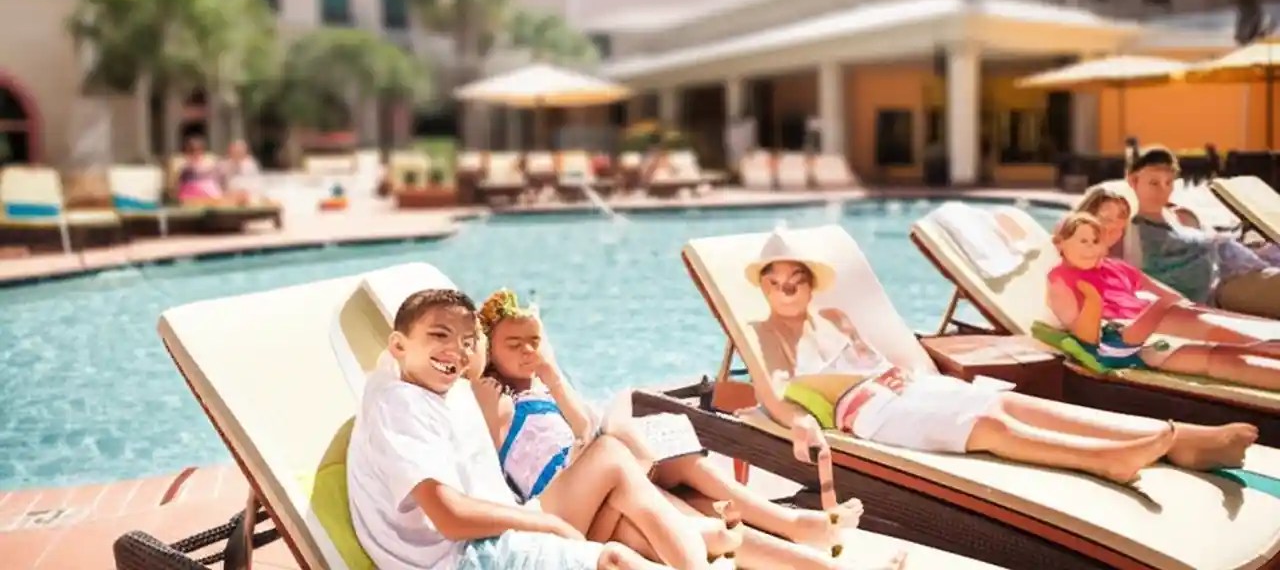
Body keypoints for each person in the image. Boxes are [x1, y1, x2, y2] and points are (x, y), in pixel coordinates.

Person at [744, 231, 1258, 485]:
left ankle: (1181, 442)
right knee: (990, 421)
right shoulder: (764, 334)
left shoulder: (836, 317)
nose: (786, 288)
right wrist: (804, 426)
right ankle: (1108, 460)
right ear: (764, 286)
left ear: (810, 282)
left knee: (1020, 407)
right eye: (775, 280)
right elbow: (775, 394)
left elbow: (877, 358)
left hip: (906, 387)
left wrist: (915, 376)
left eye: (796, 278)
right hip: (868, 413)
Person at [470, 289, 903, 570]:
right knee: (646, 475)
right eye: (514, 344)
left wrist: (551, 371)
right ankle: (794, 530)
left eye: (534, 341)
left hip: (598, 488)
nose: (528, 351)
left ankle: (813, 550)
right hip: (559, 500)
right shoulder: (490, 393)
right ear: (491, 350)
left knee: (691, 499)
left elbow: (584, 427)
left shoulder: (543, 385)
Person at [346, 287, 697, 570]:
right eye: (440, 335)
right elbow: (450, 517)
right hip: (461, 558)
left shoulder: (413, 383)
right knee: (615, 558)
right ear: (397, 345)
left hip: (486, 537)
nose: (457, 350)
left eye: (468, 341)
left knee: (612, 458)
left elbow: (468, 357)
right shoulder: (400, 403)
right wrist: (550, 526)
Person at [1047, 212, 1280, 390]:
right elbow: (1087, 339)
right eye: (1083, 241)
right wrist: (1093, 301)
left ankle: (1264, 345)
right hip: (1125, 340)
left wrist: (1187, 307)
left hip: (1157, 328)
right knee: (1229, 359)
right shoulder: (1060, 280)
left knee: (1235, 346)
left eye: (1095, 242)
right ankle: (1262, 345)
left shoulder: (1116, 267)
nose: (1090, 249)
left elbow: (1167, 295)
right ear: (1060, 244)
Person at [1126, 145, 1280, 318]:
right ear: (1133, 181)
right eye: (1154, 183)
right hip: (1219, 290)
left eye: (1168, 182)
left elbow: (1218, 242)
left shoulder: (1182, 215)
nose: (1162, 190)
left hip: (1245, 270)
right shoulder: (1133, 230)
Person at [175, 135, 226, 205]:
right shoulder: (184, 166)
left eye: (198, 150)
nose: (195, 153)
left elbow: (218, 180)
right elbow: (180, 183)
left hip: (209, 196)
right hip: (190, 196)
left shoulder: (210, 162)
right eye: (192, 151)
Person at [218, 139, 261, 204]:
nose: (237, 152)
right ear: (230, 151)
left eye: (240, 151)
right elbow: (219, 184)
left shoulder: (251, 164)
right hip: (229, 197)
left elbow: (255, 183)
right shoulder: (223, 165)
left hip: (248, 198)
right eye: (235, 150)